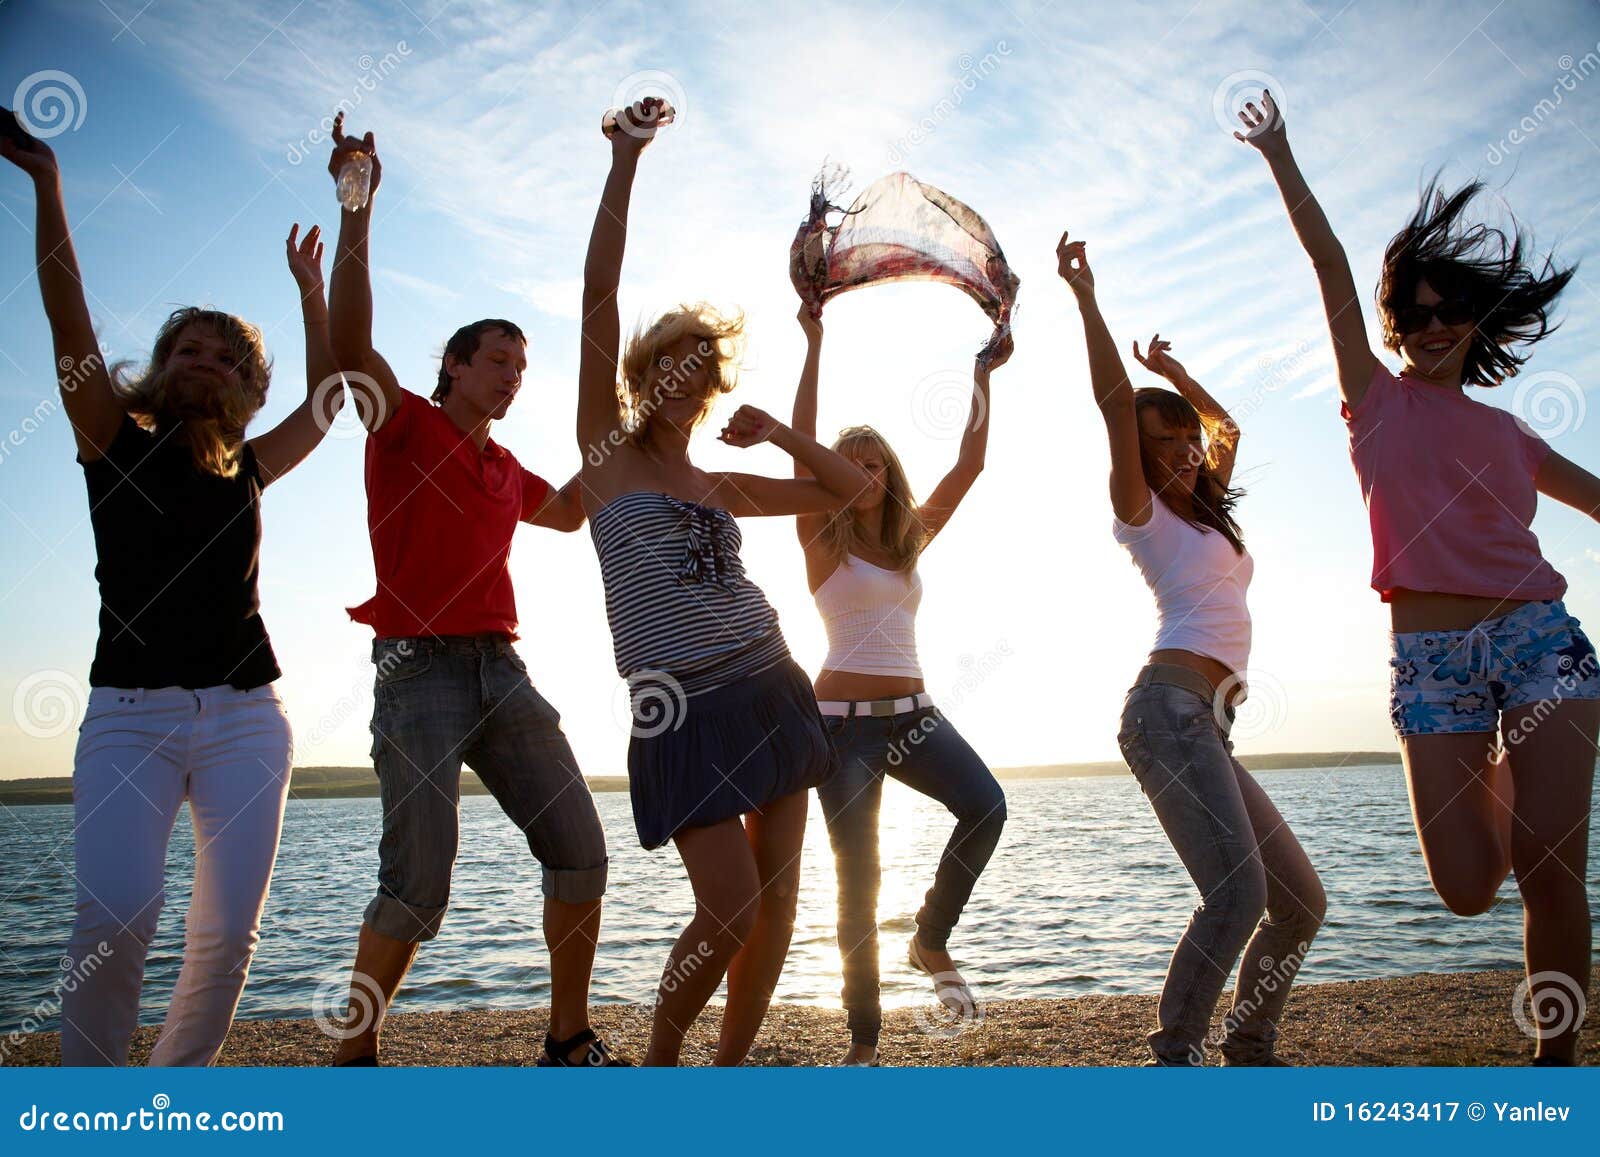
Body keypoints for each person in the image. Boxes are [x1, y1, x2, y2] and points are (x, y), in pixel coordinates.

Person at [1237, 90, 1600, 1065]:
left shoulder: (1511, 432)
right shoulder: (1372, 401)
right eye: (1414, 313)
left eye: (1449, 311)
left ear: (1475, 323)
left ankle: (1554, 1078)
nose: (1432, 324)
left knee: (1550, 868)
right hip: (1431, 663)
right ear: (1393, 327)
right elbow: (1325, 263)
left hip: (1539, 643)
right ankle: (1493, 764)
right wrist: (1279, 154)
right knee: (1466, 886)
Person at [2, 126, 341, 1065]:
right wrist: (47, 180)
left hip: (246, 716)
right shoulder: (110, 437)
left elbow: (329, 399)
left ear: (244, 387)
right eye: (190, 347)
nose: (206, 361)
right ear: (164, 360)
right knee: (114, 919)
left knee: (228, 938)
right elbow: (68, 320)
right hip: (127, 714)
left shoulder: (250, 468)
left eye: (229, 359)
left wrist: (311, 294)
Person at [577, 99, 870, 1066]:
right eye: (671, 361)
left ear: (708, 389)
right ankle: (661, 1061)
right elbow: (598, 295)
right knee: (729, 906)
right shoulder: (608, 454)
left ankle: (726, 1073)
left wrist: (782, 433)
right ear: (642, 371)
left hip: (767, 679)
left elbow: (852, 486)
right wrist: (625, 164)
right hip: (677, 704)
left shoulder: (720, 481)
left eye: (702, 369)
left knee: (778, 905)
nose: (686, 378)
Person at [322, 118, 620, 1067]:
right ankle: (355, 1054)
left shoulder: (506, 468)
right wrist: (358, 206)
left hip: (504, 671)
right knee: (418, 885)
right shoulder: (402, 424)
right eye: (499, 359)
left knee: (581, 851)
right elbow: (347, 342)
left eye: (522, 367)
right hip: (418, 673)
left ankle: (566, 1040)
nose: (512, 376)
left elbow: (573, 510)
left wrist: (634, 427)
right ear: (453, 364)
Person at [1059, 231, 1325, 1065]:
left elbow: (1227, 426)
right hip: (1167, 712)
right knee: (1237, 890)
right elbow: (1111, 403)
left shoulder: (1206, 509)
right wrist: (1086, 294)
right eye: (1160, 438)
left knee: (1298, 900)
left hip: (1206, 724)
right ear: (1137, 454)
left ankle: (1249, 1043)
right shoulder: (1144, 514)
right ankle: (1172, 1056)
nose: (1180, 447)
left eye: (1182, 435)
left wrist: (1178, 380)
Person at [790, 304, 1011, 1066]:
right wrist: (813, 341)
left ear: (888, 473)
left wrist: (982, 376)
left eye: (872, 461)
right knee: (859, 879)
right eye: (847, 463)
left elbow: (970, 466)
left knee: (986, 805)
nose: (861, 473)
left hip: (915, 715)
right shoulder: (820, 537)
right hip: (841, 726)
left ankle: (929, 937)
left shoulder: (910, 538)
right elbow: (801, 460)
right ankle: (863, 1040)